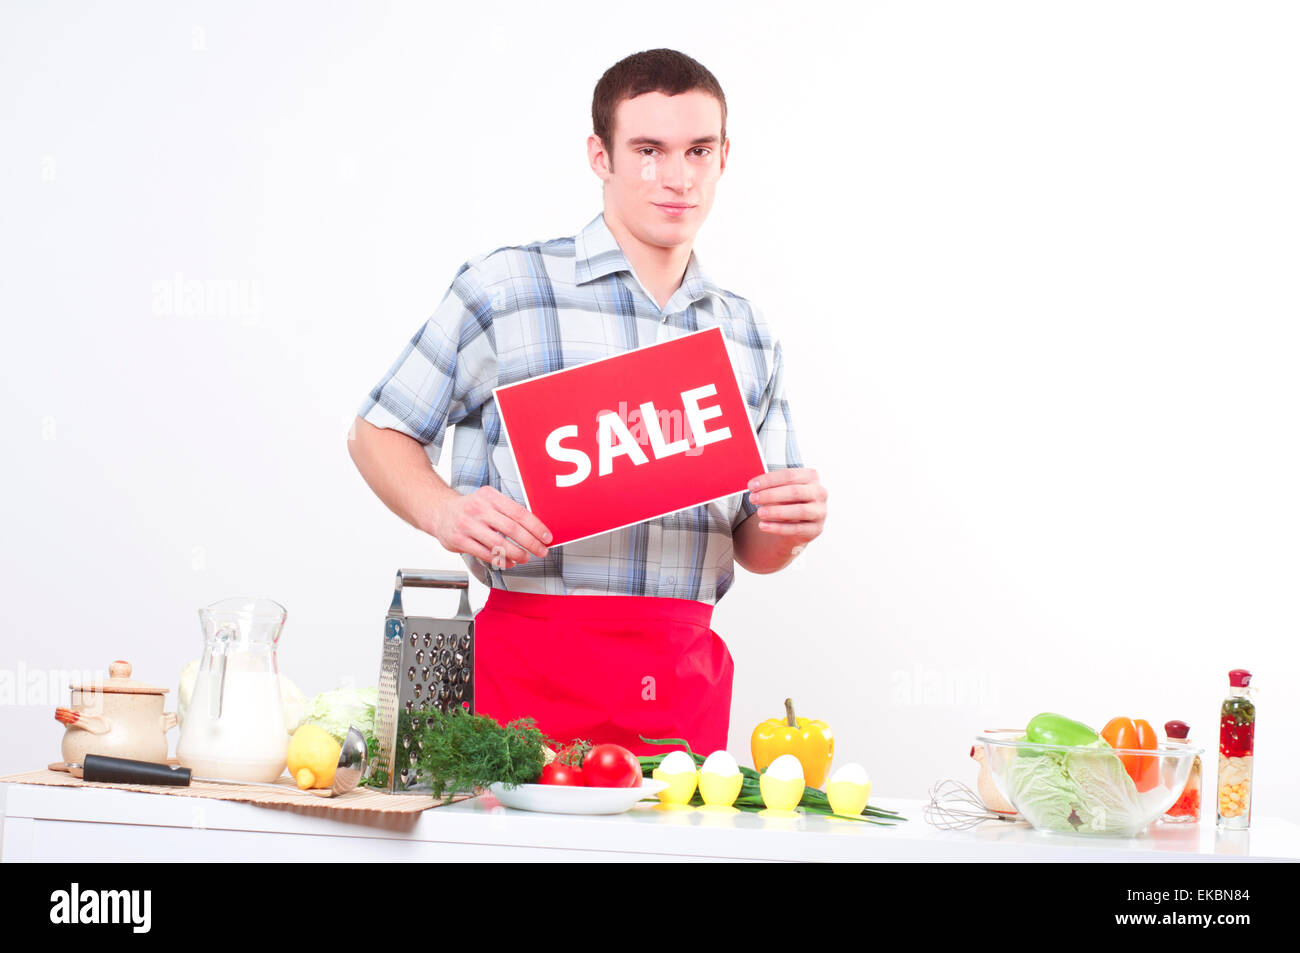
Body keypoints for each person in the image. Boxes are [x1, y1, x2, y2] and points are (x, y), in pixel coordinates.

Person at [348, 48, 828, 755]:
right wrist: (445, 511)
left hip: (680, 680)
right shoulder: (508, 287)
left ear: (725, 156)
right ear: (599, 155)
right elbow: (377, 431)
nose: (676, 176)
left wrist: (791, 526)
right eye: (647, 150)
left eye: (697, 149)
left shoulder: (746, 332)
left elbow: (757, 547)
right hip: (527, 669)